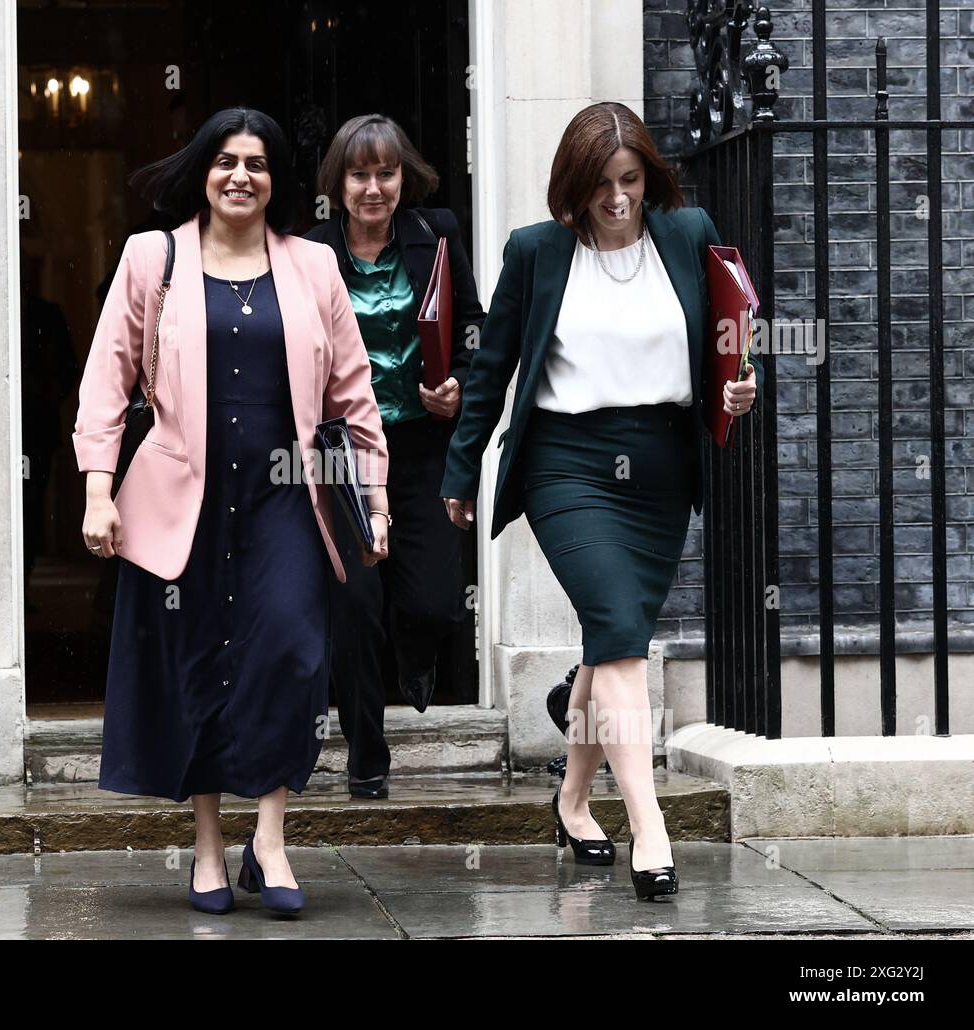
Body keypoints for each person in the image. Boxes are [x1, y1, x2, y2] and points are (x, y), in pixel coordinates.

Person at [73, 107, 390, 916]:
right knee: (201, 663)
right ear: (203, 173)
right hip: (185, 498)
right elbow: (106, 380)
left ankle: (272, 839)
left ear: (276, 179)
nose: (239, 175)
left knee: (288, 650)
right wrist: (97, 490)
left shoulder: (313, 266)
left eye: (256, 162)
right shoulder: (155, 258)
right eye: (224, 161)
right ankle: (209, 846)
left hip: (289, 495)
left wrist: (375, 502)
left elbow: (355, 393)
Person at [440, 101, 761, 902]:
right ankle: (648, 829)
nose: (617, 200)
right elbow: (492, 372)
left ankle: (573, 799)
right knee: (621, 641)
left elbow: (729, 340)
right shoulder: (537, 253)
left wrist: (741, 387)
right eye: (601, 185)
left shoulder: (687, 236)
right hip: (567, 467)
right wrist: (460, 471)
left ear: (649, 178)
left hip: (659, 470)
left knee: (605, 648)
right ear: (573, 187)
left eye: (630, 181)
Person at [305, 114, 485, 800]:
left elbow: (474, 324)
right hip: (344, 457)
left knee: (436, 602)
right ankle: (366, 752)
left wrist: (459, 385)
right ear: (339, 183)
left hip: (421, 449)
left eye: (386, 173)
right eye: (359, 174)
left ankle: (416, 657)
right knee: (355, 607)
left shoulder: (435, 235)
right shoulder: (312, 249)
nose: (373, 187)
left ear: (404, 177)